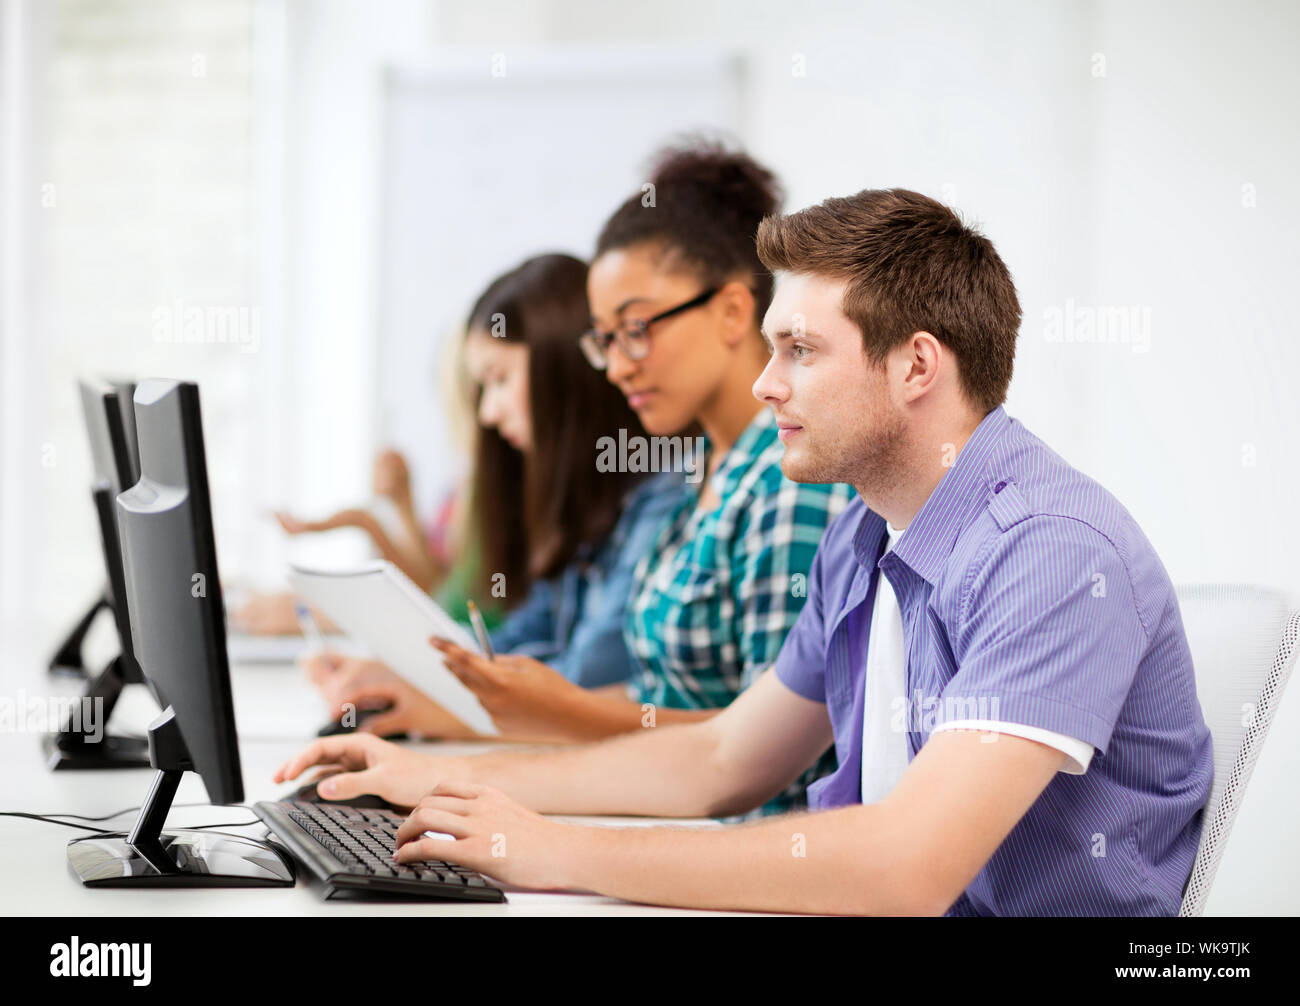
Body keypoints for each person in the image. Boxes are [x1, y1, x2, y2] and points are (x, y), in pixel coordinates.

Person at [275, 187, 1213, 916]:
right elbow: (723, 757)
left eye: (800, 349)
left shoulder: (1046, 553)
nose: (764, 384)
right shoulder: (866, 529)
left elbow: (906, 867)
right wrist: (449, 781)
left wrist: (555, 850)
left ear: (917, 365)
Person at [426, 143, 852, 800]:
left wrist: (564, 711)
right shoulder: (691, 482)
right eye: (604, 340)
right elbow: (657, 696)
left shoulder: (792, 483)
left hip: (740, 852)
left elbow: (777, 750)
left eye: (636, 329)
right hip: (661, 811)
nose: (619, 364)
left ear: (733, 312)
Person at [304, 253, 687, 740]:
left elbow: (586, 677)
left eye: (500, 379)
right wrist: (407, 674)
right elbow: (523, 636)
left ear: (563, 373)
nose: (487, 413)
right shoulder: (587, 509)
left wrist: (438, 703)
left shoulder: (661, 497)